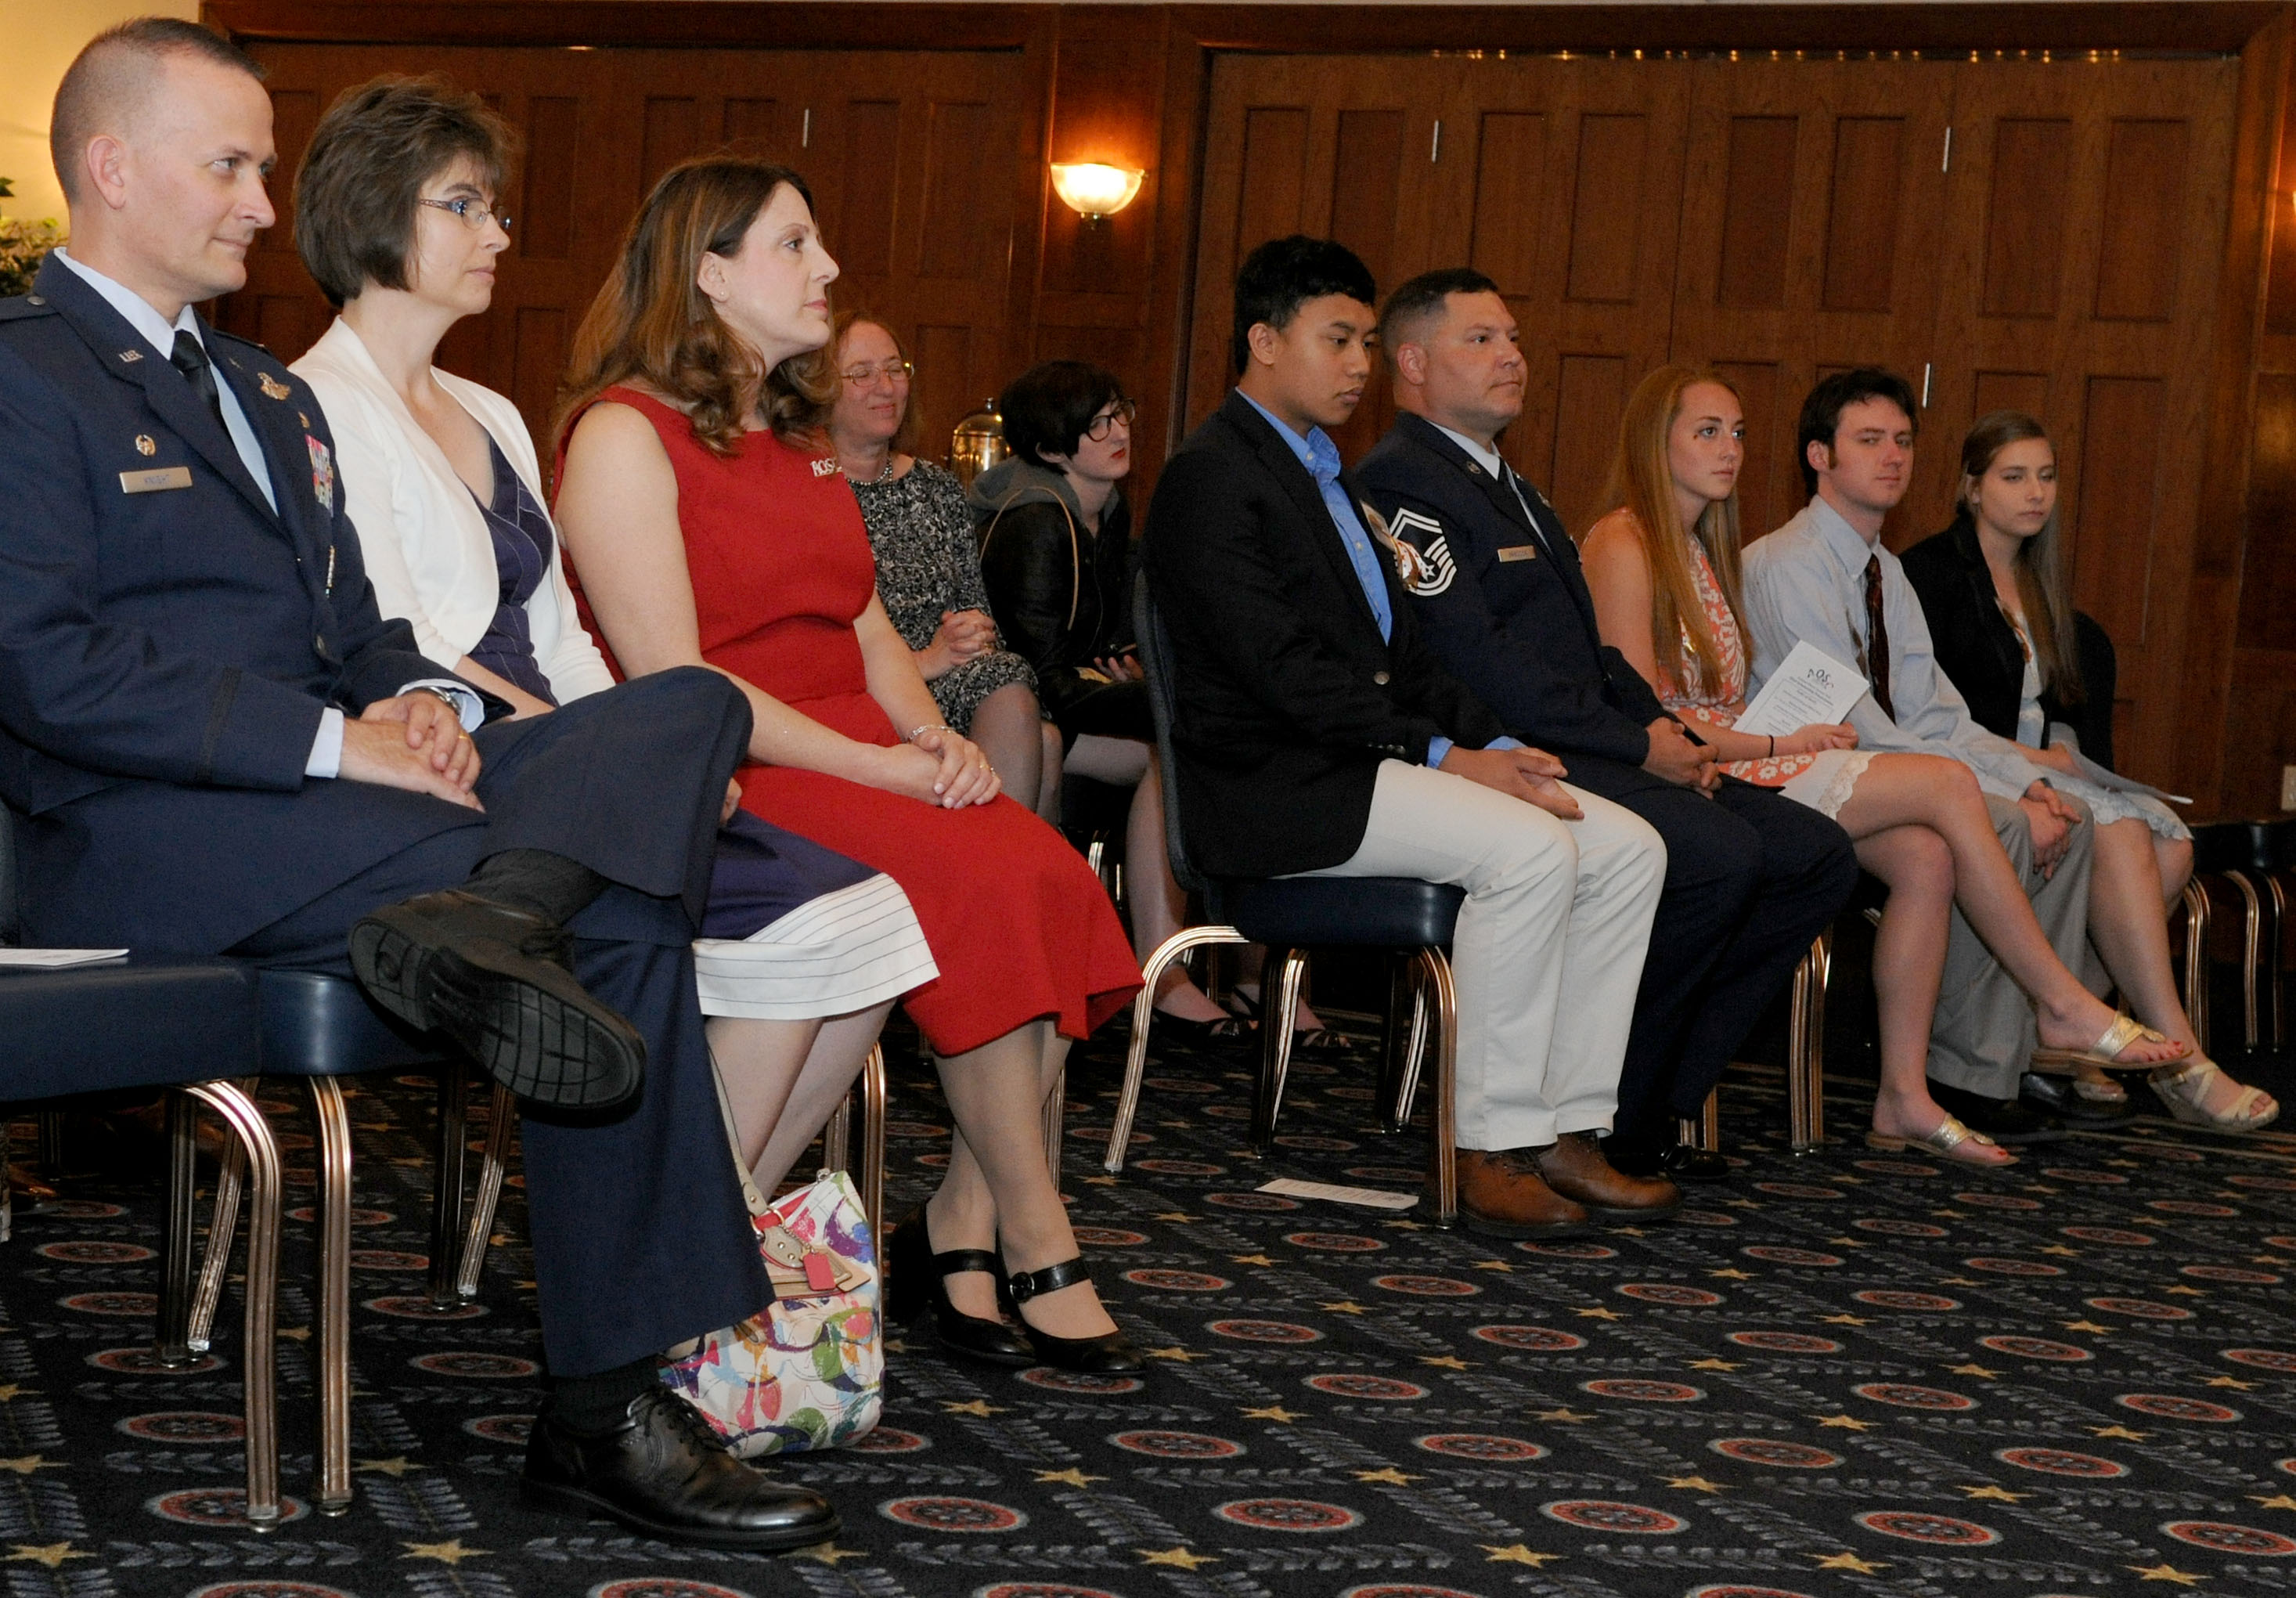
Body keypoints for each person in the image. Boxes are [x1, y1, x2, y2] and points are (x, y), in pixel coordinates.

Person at [6, 22, 836, 1549]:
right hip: (138, 833)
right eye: (233, 164)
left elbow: (360, 629)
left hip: (361, 807)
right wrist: (338, 742)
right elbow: (46, 669)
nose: (268, 203)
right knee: (629, 912)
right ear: (112, 170)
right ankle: (604, 1408)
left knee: (681, 710)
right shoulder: (22, 377)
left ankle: (501, 912)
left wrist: (416, 701)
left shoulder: (263, 398)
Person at [289, 77, 935, 1203]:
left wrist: (637, 747)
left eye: (494, 207)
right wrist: (614, 753)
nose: (498, 232)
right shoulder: (315, 405)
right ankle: (679, 1245)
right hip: (460, 755)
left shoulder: (485, 408)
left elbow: (565, 628)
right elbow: (402, 643)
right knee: (785, 880)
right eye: (465, 206)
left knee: (866, 920)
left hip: (571, 749)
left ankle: (705, 1223)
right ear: (377, 213)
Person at [550, 157, 1148, 1376]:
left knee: (1039, 871)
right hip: (731, 763)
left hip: (849, 749)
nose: (827, 269)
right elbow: (679, 684)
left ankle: (968, 1218)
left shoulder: (793, 436)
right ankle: (1034, 1229)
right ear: (709, 271)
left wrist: (928, 736)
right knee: (974, 885)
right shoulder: (625, 434)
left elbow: (864, 624)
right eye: (794, 245)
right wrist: (884, 772)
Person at [1141, 234, 1672, 1239]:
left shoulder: (1321, 474)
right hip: (1281, 788)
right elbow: (1281, 675)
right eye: (1336, 340)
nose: (1359, 365)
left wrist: (1501, 742)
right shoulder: (1212, 476)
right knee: (1529, 850)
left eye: (1366, 342)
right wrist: (1442, 755)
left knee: (1624, 845)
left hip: (1362, 765)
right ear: (1262, 341)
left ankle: (1564, 1127)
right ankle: (1484, 1142)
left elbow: (1411, 656)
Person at [1357, 270, 1858, 1180]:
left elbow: (1591, 654)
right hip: (1518, 754)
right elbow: (1478, 661)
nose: (1510, 355)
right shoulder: (1401, 485)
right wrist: (1638, 746)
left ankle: (1654, 1097)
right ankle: (1598, 1111)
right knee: (1716, 854)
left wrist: (1671, 732)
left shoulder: (1514, 487)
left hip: (1594, 737)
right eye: (1480, 340)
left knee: (1811, 854)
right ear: (1412, 362)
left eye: (1512, 337)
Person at [1733, 370, 2273, 1134]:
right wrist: (2009, 792)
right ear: (1818, 456)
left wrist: (2025, 778)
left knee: (2062, 816)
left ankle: (1998, 1064)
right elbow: (1861, 722)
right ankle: (2009, 1040)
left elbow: (1937, 718)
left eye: (1900, 441)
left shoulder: (1882, 570)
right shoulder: (1787, 563)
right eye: (1867, 440)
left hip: (1880, 768)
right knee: (2003, 819)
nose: (1890, 457)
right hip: (1800, 771)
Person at [967, 359, 1242, 1045]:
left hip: (1069, 712)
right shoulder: (1037, 520)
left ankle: (1164, 966)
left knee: (1176, 746)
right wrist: (1143, 693)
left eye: (1120, 414)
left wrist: (1130, 679)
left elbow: (1112, 644)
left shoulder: (1104, 511)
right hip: (1014, 720)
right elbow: (1040, 678)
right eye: (1096, 424)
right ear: (1051, 447)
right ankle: (1161, 970)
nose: (1118, 432)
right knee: (1174, 736)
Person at [820, 313, 1054, 817]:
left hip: (958, 684)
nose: (885, 387)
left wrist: (971, 633)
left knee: (1034, 718)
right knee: (1028, 717)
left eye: (894, 369)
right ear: (819, 390)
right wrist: (925, 660)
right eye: (861, 374)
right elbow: (813, 642)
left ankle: (1003, 877)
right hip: (867, 694)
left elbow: (976, 610)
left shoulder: (939, 487)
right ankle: (1001, 876)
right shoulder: (808, 490)